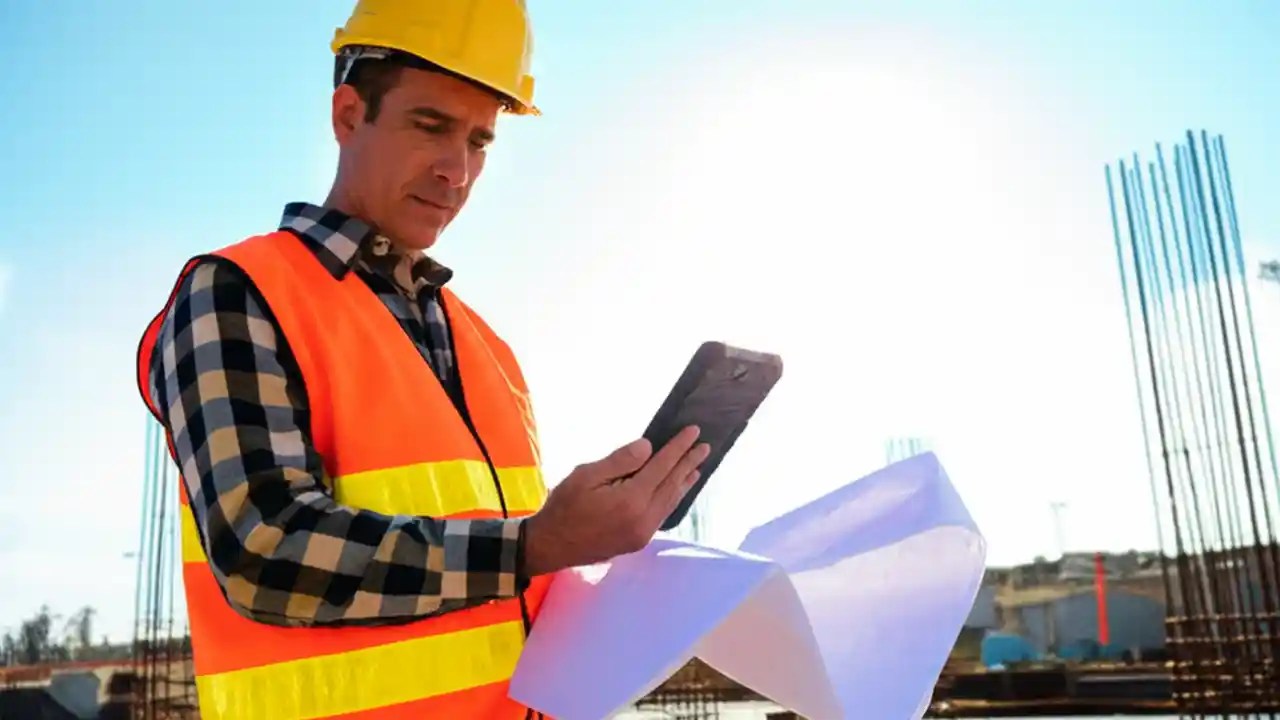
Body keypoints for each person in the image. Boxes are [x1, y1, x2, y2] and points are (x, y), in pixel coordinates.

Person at [134, 1, 710, 718]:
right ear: (348, 115)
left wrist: (616, 565)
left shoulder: (484, 345)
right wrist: (537, 544)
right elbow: (265, 550)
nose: (457, 171)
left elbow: (509, 590)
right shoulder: (239, 293)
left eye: (479, 142)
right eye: (429, 126)